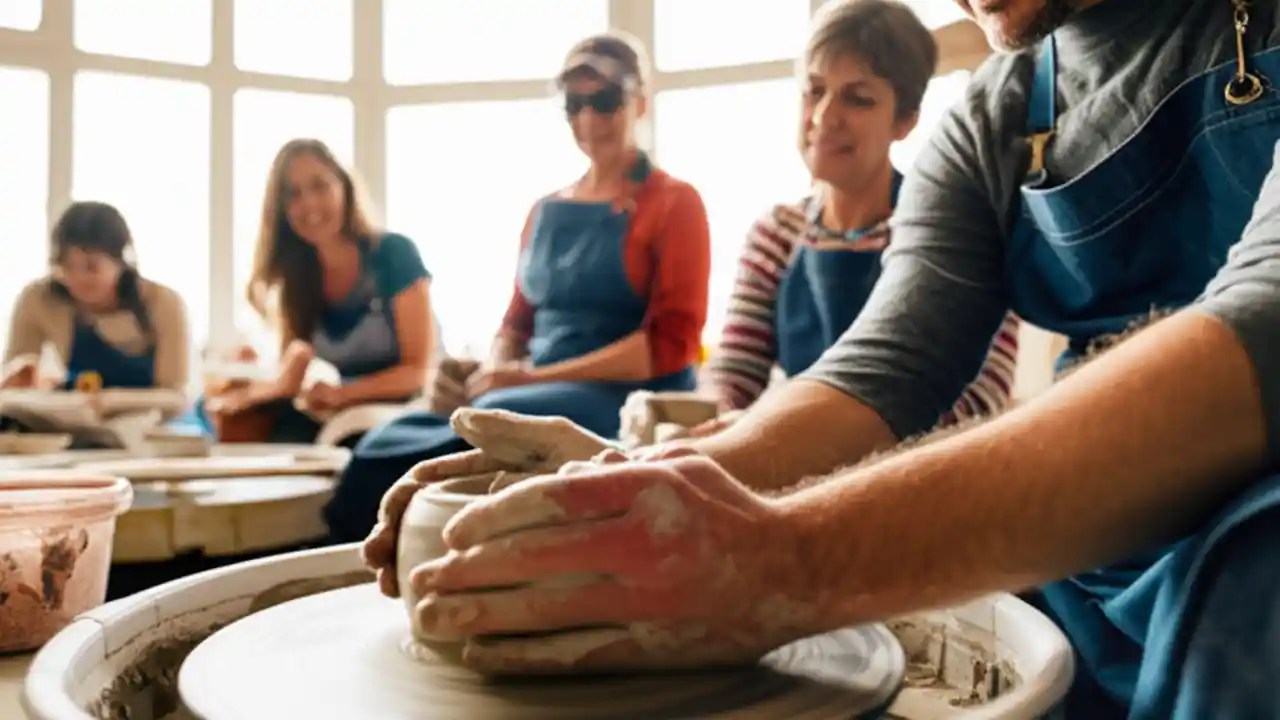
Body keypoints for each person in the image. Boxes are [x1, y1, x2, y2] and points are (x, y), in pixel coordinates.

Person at [361, 0, 1280, 717]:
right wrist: (627, 482)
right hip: (1088, 535)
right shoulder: (995, 117)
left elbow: (1262, 323)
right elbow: (879, 374)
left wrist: (779, 567)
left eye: (859, 96)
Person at [322, 32, 712, 542]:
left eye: (605, 101)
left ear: (639, 102)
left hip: (625, 392)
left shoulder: (675, 204)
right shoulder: (545, 210)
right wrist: (490, 369)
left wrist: (525, 380)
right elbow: (517, 322)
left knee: (489, 421)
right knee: (381, 438)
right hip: (537, 386)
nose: (589, 119)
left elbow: (668, 347)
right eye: (575, 105)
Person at [697, 1, 1019, 436]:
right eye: (814, 90)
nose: (825, 116)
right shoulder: (777, 234)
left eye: (858, 98)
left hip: (917, 472)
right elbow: (734, 374)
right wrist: (718, 417)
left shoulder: (958, 232)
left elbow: (981, 400)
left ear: (905, 121)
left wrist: (802, 438)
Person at [203, 139, 435, 444]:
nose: (309, 203)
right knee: (262, 434)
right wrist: (246, 392)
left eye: (320, 186)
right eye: (294, 194)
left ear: (344, 187)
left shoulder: (394, 253)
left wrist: (342, 395)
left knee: (358, 445)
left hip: (403, 412)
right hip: (339, 413)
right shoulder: (296, 276)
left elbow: (417, 371)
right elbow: (292, 375)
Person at [2, 201, 189, 393]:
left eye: (91, 267)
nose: (78, 278)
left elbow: (174, 394)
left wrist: (109, 403)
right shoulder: (40, 299)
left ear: (121, 260)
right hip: (70, 418)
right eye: (67, 266)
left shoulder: (162, 302)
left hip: (148, 419)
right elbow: (14, 382)